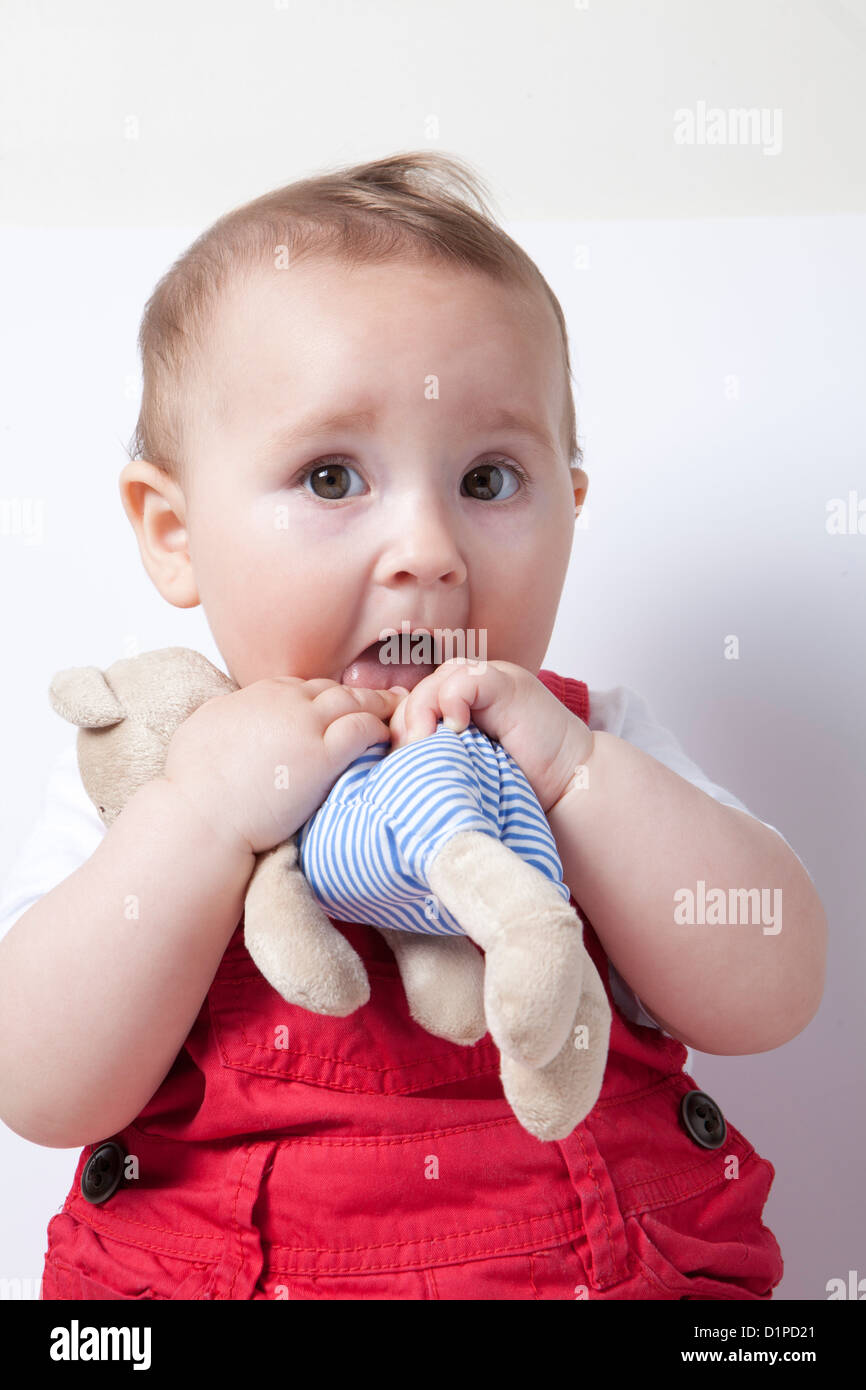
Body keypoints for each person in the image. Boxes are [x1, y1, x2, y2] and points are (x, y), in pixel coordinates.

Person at [0, 151, 826, 1300]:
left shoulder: (593, 741)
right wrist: (198, 818)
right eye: (332, 477)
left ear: (569, 510)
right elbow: (42, 1085)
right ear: (173, 532)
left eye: (489, 480)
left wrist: (577, 778)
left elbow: (771, 990)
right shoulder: (149, 772)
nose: (429, 550)